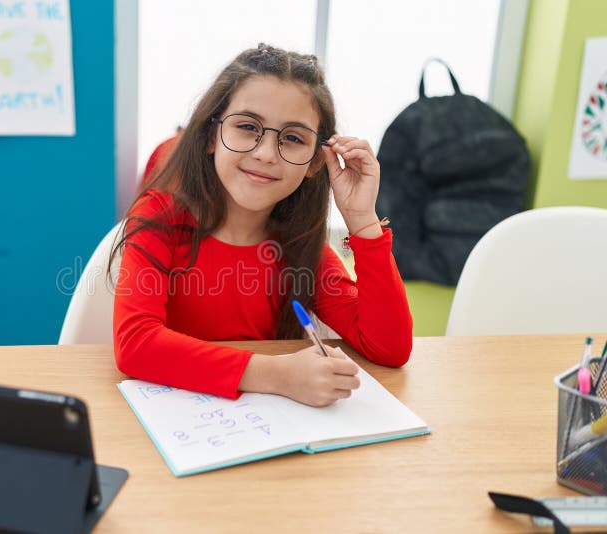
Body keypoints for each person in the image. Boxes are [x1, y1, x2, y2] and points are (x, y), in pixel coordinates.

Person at [111, 43, 412, 407]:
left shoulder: (301, 245)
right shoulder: (160, 216)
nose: (266, 153)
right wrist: (277, 375)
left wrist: (362, 219)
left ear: (316, 162)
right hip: (173, 419)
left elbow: (389, 347)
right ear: (210, 136)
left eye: (293, 138)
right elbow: (136, 346)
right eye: (248, 127)